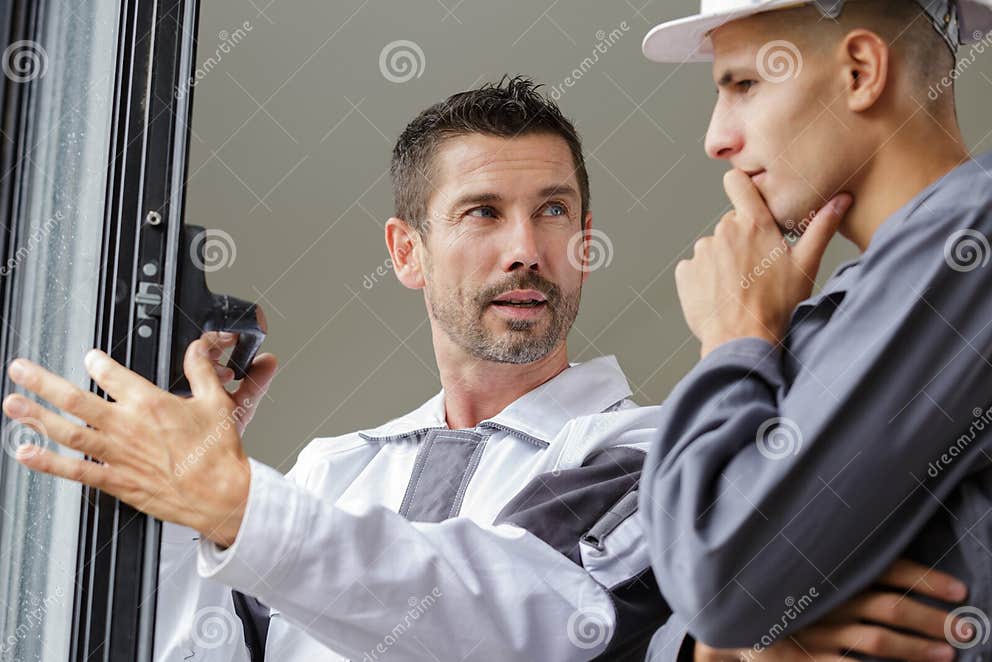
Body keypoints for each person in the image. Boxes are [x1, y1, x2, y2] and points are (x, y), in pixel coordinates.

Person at [0, 77, 975, 662]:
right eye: (481, 213)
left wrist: (234, 504)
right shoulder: (335, 471)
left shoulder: (652, 453)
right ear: (406, 250)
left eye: (553, 212)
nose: (525, 248)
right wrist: (175, 498)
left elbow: (530, 619)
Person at [638, 0, 992, 660]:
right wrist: (741, 644)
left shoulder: (975, 238)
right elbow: (714, 610)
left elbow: (719, 579)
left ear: (861, 70)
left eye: (744, 83)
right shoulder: (846, 312)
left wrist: (732, 335)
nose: (716, 138)